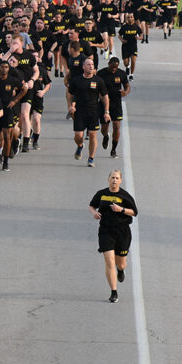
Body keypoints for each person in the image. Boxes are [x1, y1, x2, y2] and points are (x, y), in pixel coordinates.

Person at [88, 170, 138, 303]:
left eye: (117, 178)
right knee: (109, 261)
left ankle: (121, 270)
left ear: (120, 180)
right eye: (112, 177)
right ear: (108, 179)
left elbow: (134, 212)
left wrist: (121, 209)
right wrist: (94, 212)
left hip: (122, 232)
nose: (114, 180)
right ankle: (114, 292)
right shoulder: (102, 194)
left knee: (121, 263)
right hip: (106, 231)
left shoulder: (125, 196)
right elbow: (91, 205)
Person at [68, 59, 109, 168]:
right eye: (88, 65)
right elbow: (71, 95)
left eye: (92, 64)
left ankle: (91, 158)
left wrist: (106, 111)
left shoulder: (98, 81)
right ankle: (80, 146)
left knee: (92, 134)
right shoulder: (77, 81)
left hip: (93, 112)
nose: (91, 66)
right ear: (83, 67)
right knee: (78, 136)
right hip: (79, 112)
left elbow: (105, 96)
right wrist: (71, 106)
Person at [96, 57, 130, 158]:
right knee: (104, 128)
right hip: (103, 103)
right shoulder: (101, 73)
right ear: (108, 64)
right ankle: (106, 136)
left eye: (116, 67)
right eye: (112, 67)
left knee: (116, 125)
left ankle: (113, 149)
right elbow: (97, 89)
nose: (114, 69)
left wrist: (125, 92)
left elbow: (127, 86)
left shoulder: (121, 74)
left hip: (116, 104)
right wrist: (101, 97)